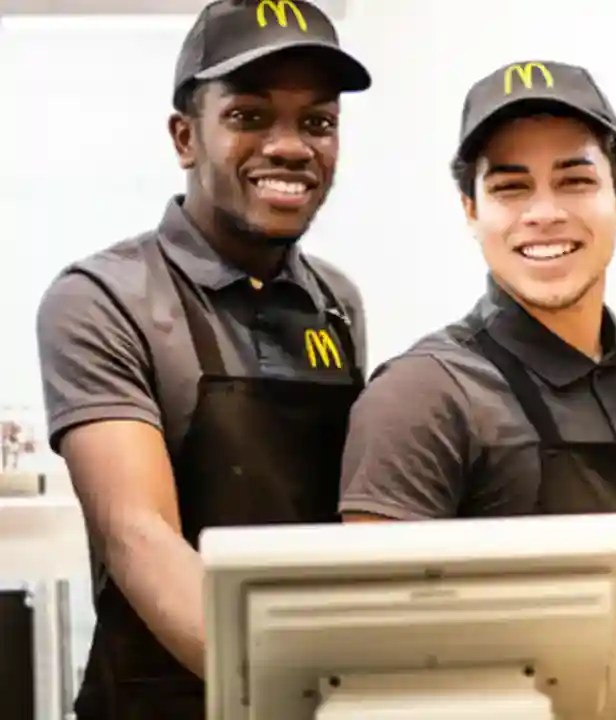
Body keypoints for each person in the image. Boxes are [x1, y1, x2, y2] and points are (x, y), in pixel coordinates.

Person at [34, 1, 370, 716]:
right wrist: (281, 690)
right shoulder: (103, 298)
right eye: (249, 116)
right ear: (185, 137)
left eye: (318, 122)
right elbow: (137, 535)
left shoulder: (336, 301)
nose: (291, 147)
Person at [338, 60, 616, 718]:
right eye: (510, 189)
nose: (544, 214)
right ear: (472, 212)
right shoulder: (422, 396)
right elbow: (376, 668)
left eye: (575, 180)